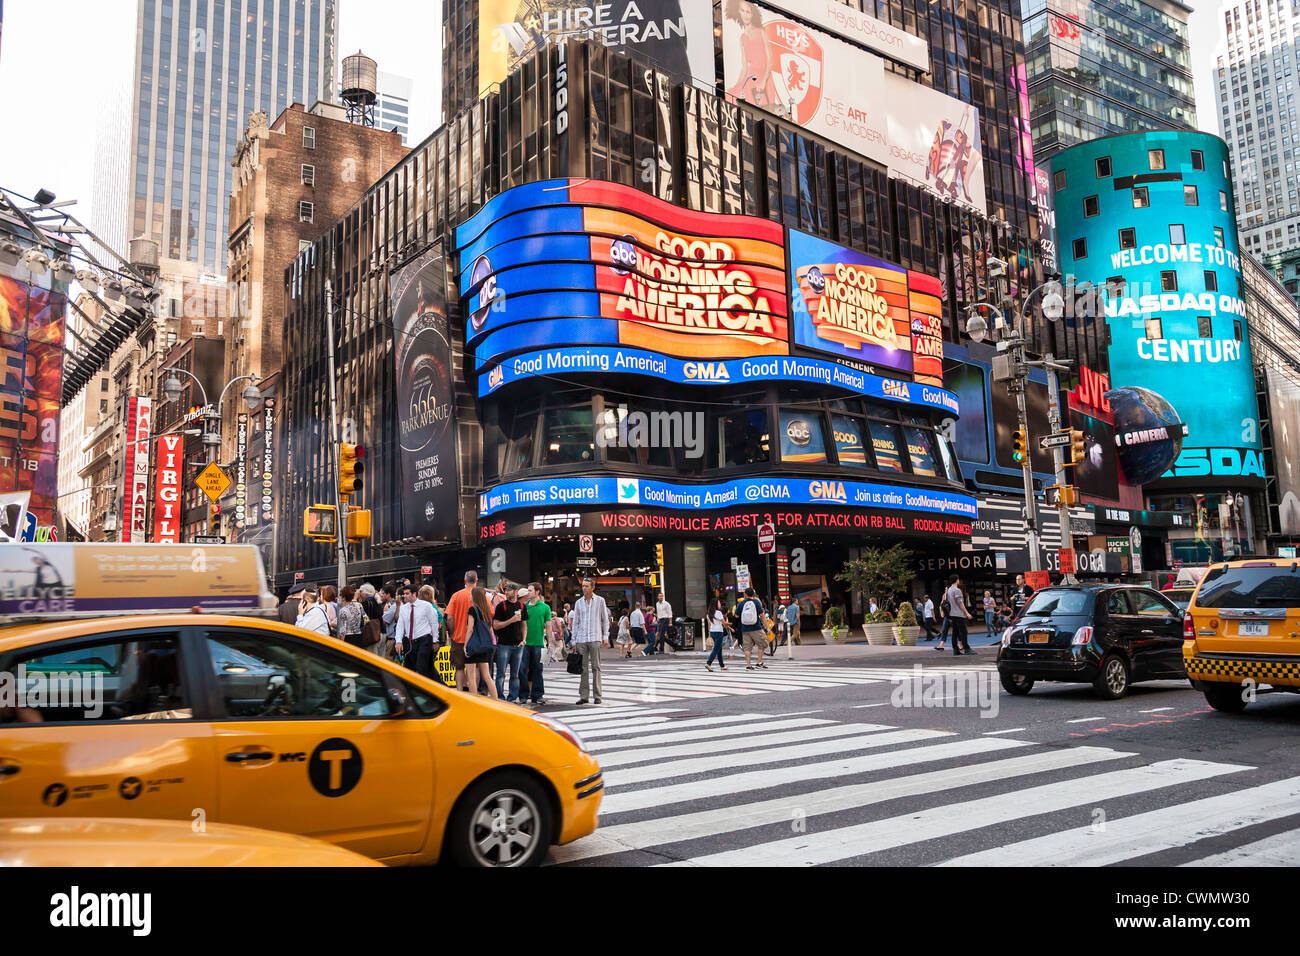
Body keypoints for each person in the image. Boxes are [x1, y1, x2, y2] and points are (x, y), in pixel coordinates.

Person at [570, 577, 610, 705]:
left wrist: (605, 636)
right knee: (583, 668)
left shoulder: (600, 601)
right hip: (581, 638)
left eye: (587, 586)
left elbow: (605, 620)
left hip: (595, 638)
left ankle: (597, 695)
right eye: (583, 586)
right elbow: (575, 622)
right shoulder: (578, 603)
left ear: (592, 588)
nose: (584, 588)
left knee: (596, 667)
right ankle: (584, 696)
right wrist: (573, 640)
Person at [462, 586, 499, 698]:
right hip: (485, 646)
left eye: (471, 594)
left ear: (474, 596)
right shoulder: (486, 610)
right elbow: (489, 629)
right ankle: (495, 700)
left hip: (474, 647)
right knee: (487, 676)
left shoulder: (472, 609)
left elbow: (470, 629)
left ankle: (474, 703)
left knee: (471, 678)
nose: (470, 596)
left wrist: (465, 645)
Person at [395, 584, 438, 678]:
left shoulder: (426, 606)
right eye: (404, 594)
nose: (404, 596)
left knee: (421, 667)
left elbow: (434, 623)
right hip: (409, 642)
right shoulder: (403, 608)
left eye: (407, 593)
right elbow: (400, 626)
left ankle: (426, 690)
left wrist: (435, 640)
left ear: (414, 594)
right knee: (410, 669)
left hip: (424, 640)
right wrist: (398, 641)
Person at [492, 581, 526, 703]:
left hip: (518, 644)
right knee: (501, 673)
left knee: (515, 674)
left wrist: (524, 639)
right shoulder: (501, 606)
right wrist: (511, 620)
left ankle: (512, 698)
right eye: (505, 590)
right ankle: (499, 697)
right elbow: (495, 625)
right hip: (504, 644)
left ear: (516, 592)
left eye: (509, 590)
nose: (506, 592)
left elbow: (524, 623)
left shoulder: (522, 606)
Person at [518, 583, 551, 705]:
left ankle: (538, 695)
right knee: (522, 669)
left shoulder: (545, 607)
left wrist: (550, 643)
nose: (528, 593)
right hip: (525, 643)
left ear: (537, 592)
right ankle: (523, 695)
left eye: (530, 590)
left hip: (539, 643)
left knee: (538, 669)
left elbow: (548, 626)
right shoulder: (524, 606)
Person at [445, 570, 478, 691]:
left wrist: (453, 632)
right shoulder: (480, 595)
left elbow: (449, 617)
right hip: (476, 638)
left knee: (459, 667)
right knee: (474, 669)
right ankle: (474, 693)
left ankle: (459, 691)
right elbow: (489, 615)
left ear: (465, 581)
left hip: (458, 637)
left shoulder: (456, 595)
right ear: (476, 581)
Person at [738, 587, 768, 671]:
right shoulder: (756, 603)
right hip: (756, 627)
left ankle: (748, 665)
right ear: (753, 594)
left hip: (745, 628)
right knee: (763, 644)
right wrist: (767, 627)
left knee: (747, 647)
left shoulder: (741, 603)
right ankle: (759, 662)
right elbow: (762, 615)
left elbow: (736, 615)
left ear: (745, 594)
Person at [946, 574, 972, 656]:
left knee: (955, 632)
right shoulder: (957, 590)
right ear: (957, 580)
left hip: (952, 614)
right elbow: (960, 603)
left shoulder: (949, 590)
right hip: (959, 614)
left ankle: (955, 649)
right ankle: (967, 648)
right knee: (964, 631)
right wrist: (967, 613)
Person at [705, 599, 729, 672]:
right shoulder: (718, 613)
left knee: (719, 649)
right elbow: (724, 623)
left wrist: (709, 634)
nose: (720, 604)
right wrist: (730, 625)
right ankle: (708, 663)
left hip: (712, 632)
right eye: (719, 602)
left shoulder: (709, 613)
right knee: (716, 649)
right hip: (719, 632)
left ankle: (722, 665)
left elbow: (709, 625)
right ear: (716, 604)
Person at [379, 583, 400, 660]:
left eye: (383, 593)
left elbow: (384, 621)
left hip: (392, 639)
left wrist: (385, 612)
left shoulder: (393, 606)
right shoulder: (391, 605)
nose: (381, 595)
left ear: (388, 594)